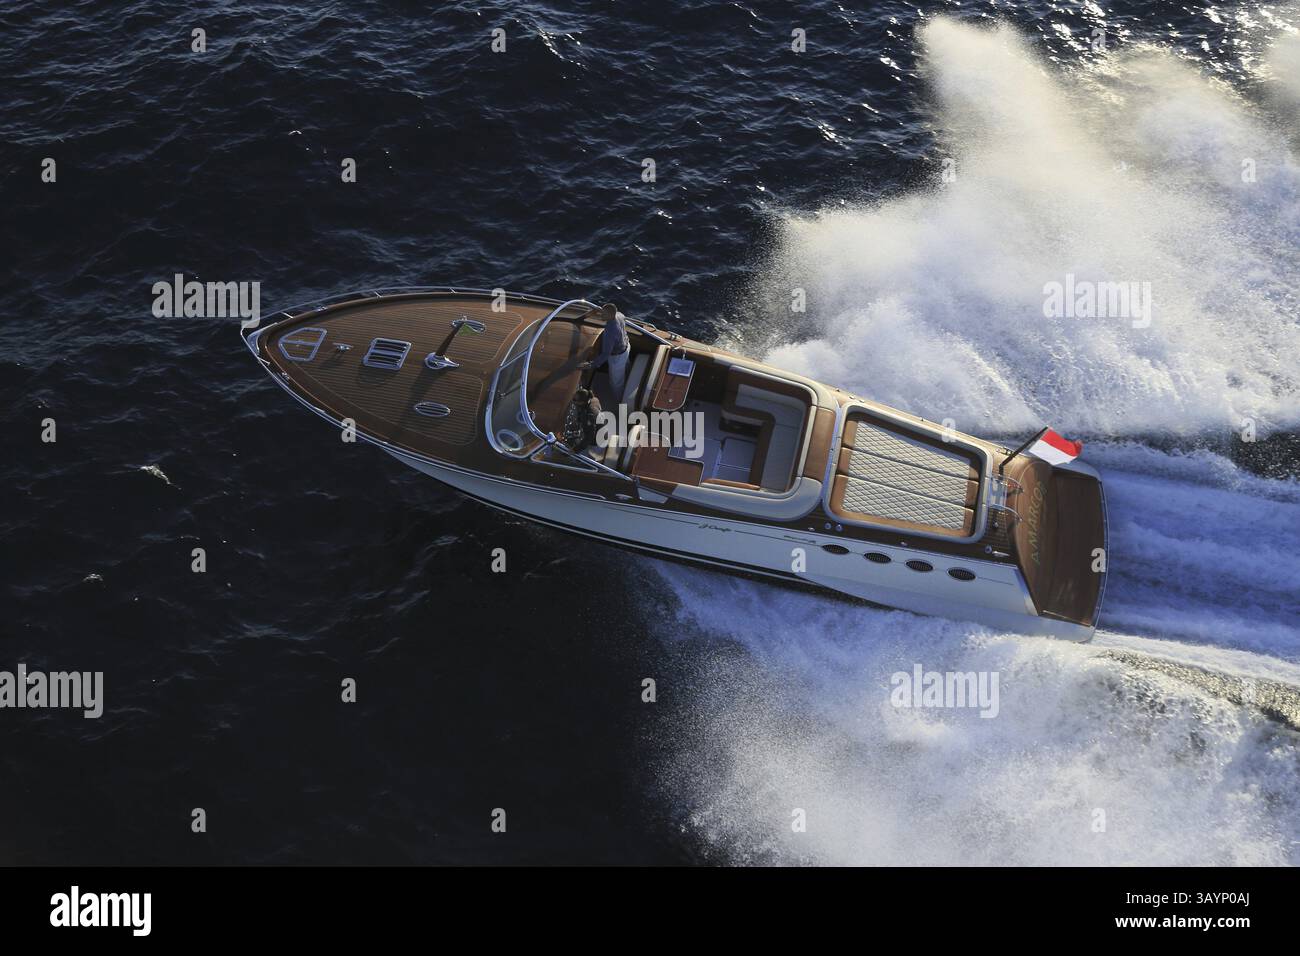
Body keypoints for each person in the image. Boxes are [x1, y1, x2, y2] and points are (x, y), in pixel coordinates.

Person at [580, 303, 631, 396]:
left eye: (603, 314)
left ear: (611, 315)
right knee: (627, 367)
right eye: (601, 313)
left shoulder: (610, 331)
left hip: (617, 358)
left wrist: (591, 365)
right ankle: (628, 378)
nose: (601, 316)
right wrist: (599, 310)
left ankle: (618, 399)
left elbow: (606, 354)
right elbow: (613, 313)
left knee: (616, 383)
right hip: (626, 346)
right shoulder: (619, 315)